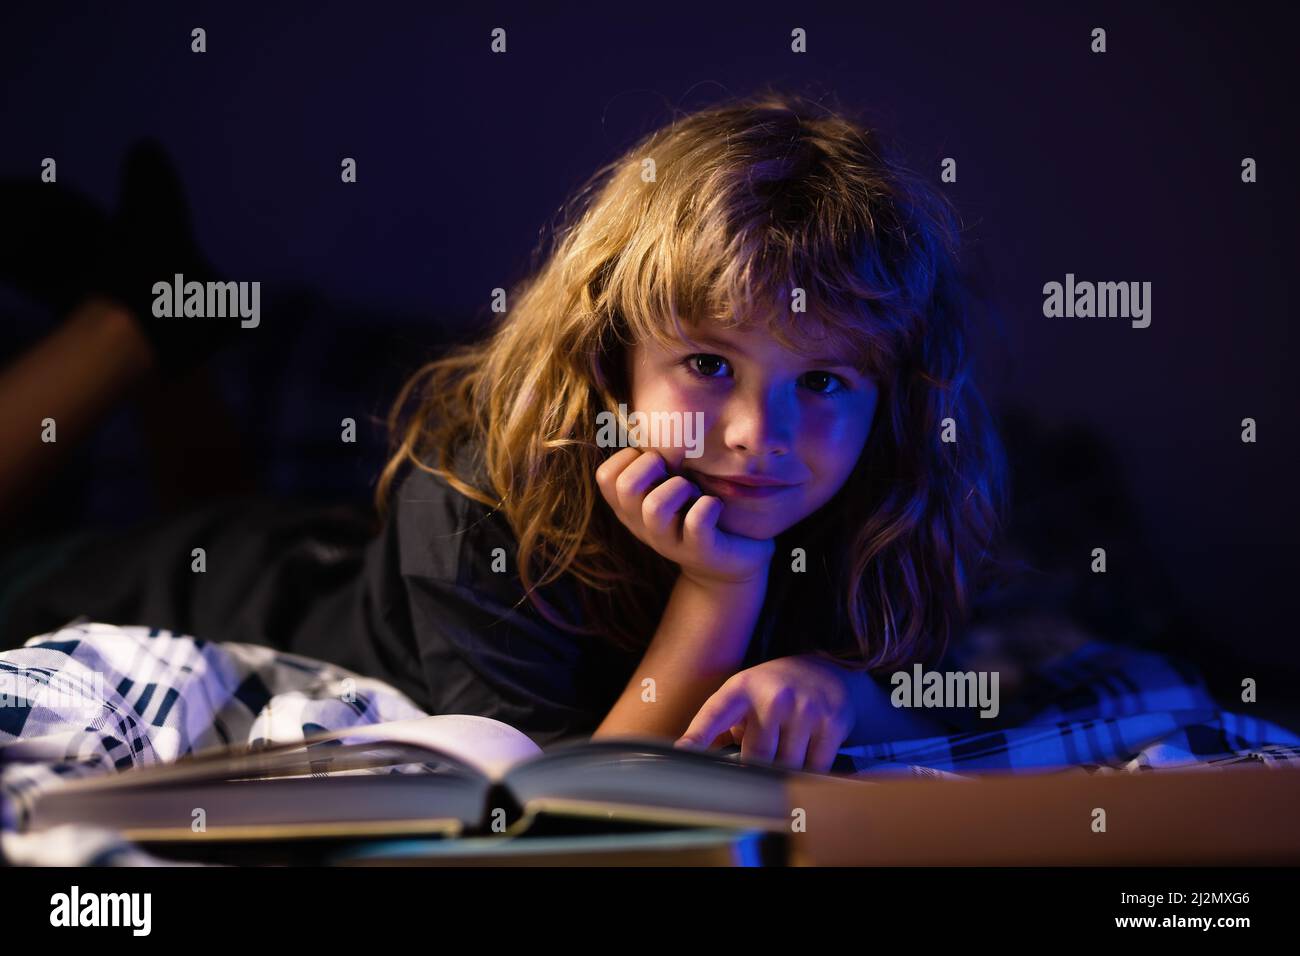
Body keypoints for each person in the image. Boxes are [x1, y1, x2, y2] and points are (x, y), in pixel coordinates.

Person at [0, 90, 1013, 770]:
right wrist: (719, 593)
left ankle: (143, 311)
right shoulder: (478, 491)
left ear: (893, 393)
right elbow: (555, 813)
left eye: (826, 378)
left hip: (294, 543)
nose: (760, 434)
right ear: (613, 352)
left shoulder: (886, 494)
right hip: (184, 584)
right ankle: (127, 322)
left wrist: (840, 691)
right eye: (709, 364)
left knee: (221, 506)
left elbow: (947, 705)